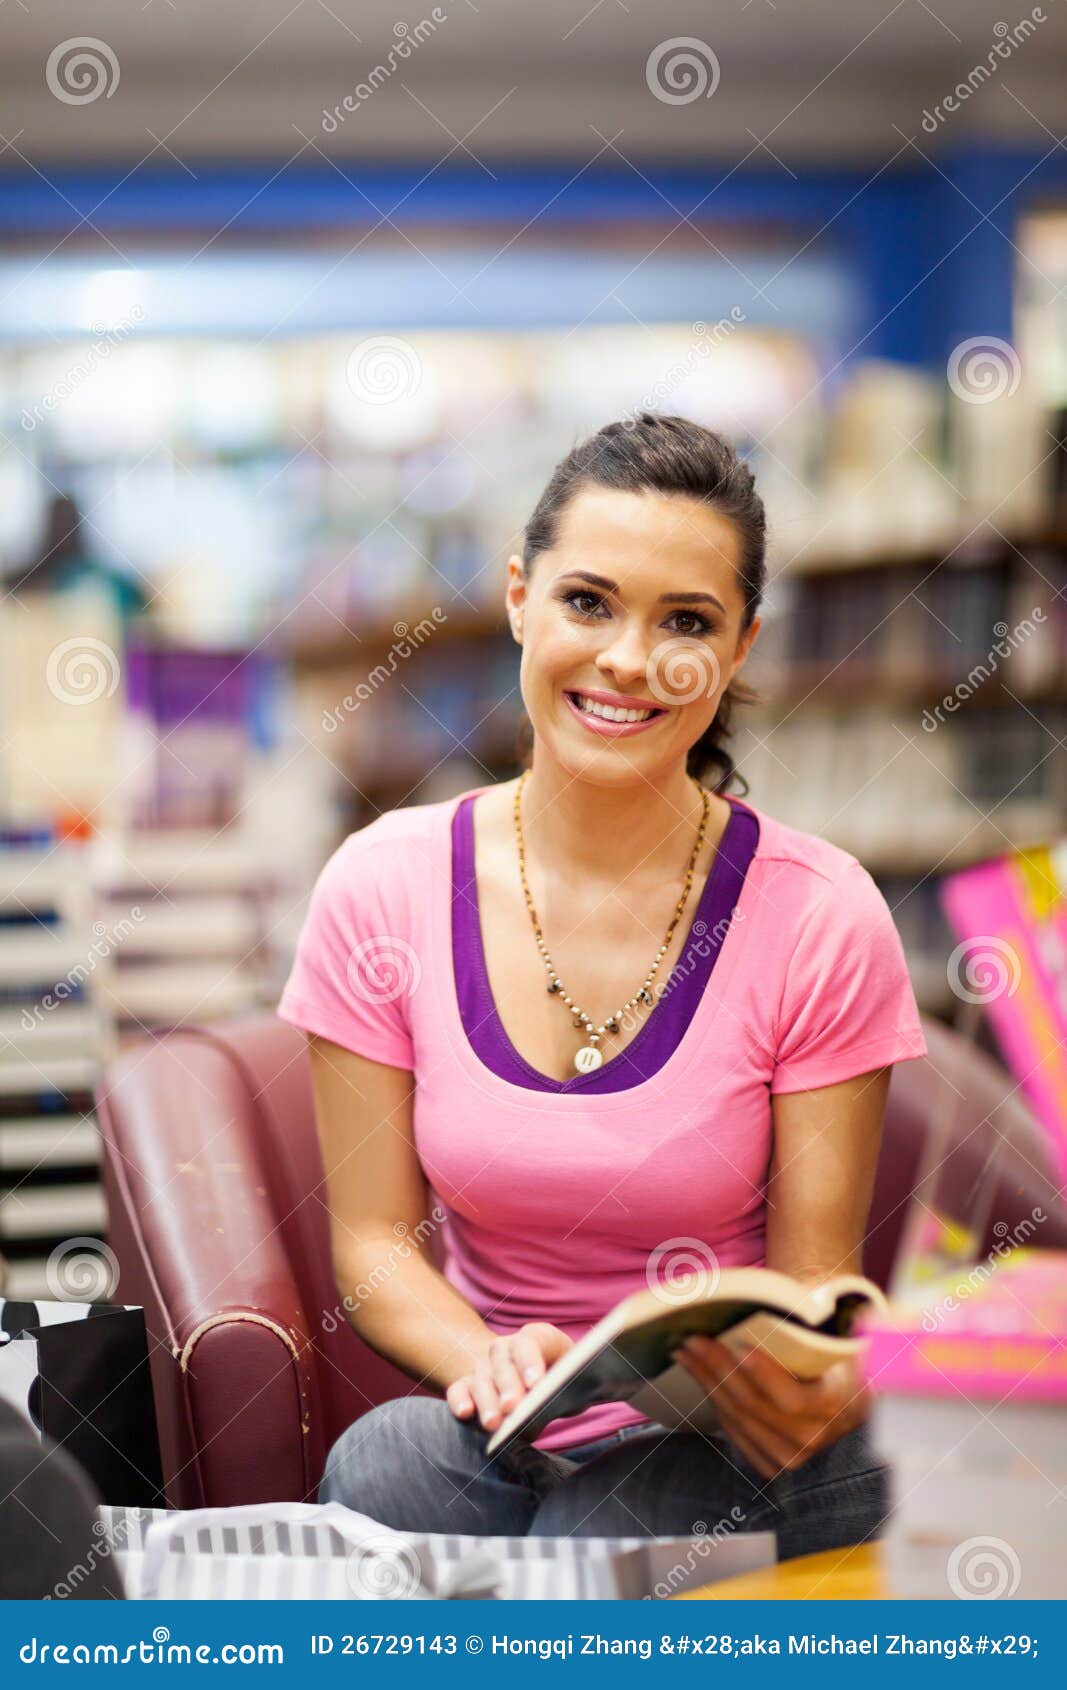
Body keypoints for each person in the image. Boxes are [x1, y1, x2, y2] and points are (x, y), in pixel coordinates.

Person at [277, 413, 927, 1559]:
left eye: (685, 621)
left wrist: (825, 1381)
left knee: (605, 1522)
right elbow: (374, 1244)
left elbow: (815, 1277)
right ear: (520, 597)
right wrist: (481, 1355)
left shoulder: (818, 911)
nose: (629, 659)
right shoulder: (381, 886)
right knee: (384, 1464)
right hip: (505, 1412)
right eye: (588, 602)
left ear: (737, 650)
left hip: (732, 1445)